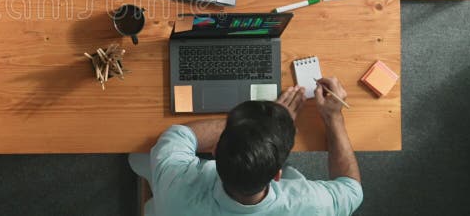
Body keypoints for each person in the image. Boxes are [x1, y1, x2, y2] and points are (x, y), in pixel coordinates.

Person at [129, 78, 362, 215]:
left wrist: (256, 125)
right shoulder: (309, 205)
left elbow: (178, 135)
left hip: (172, 208)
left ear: (215, 151)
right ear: (278, 175)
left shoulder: (177, 190)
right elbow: (352, 190)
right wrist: (333, 118)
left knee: (138, 157)